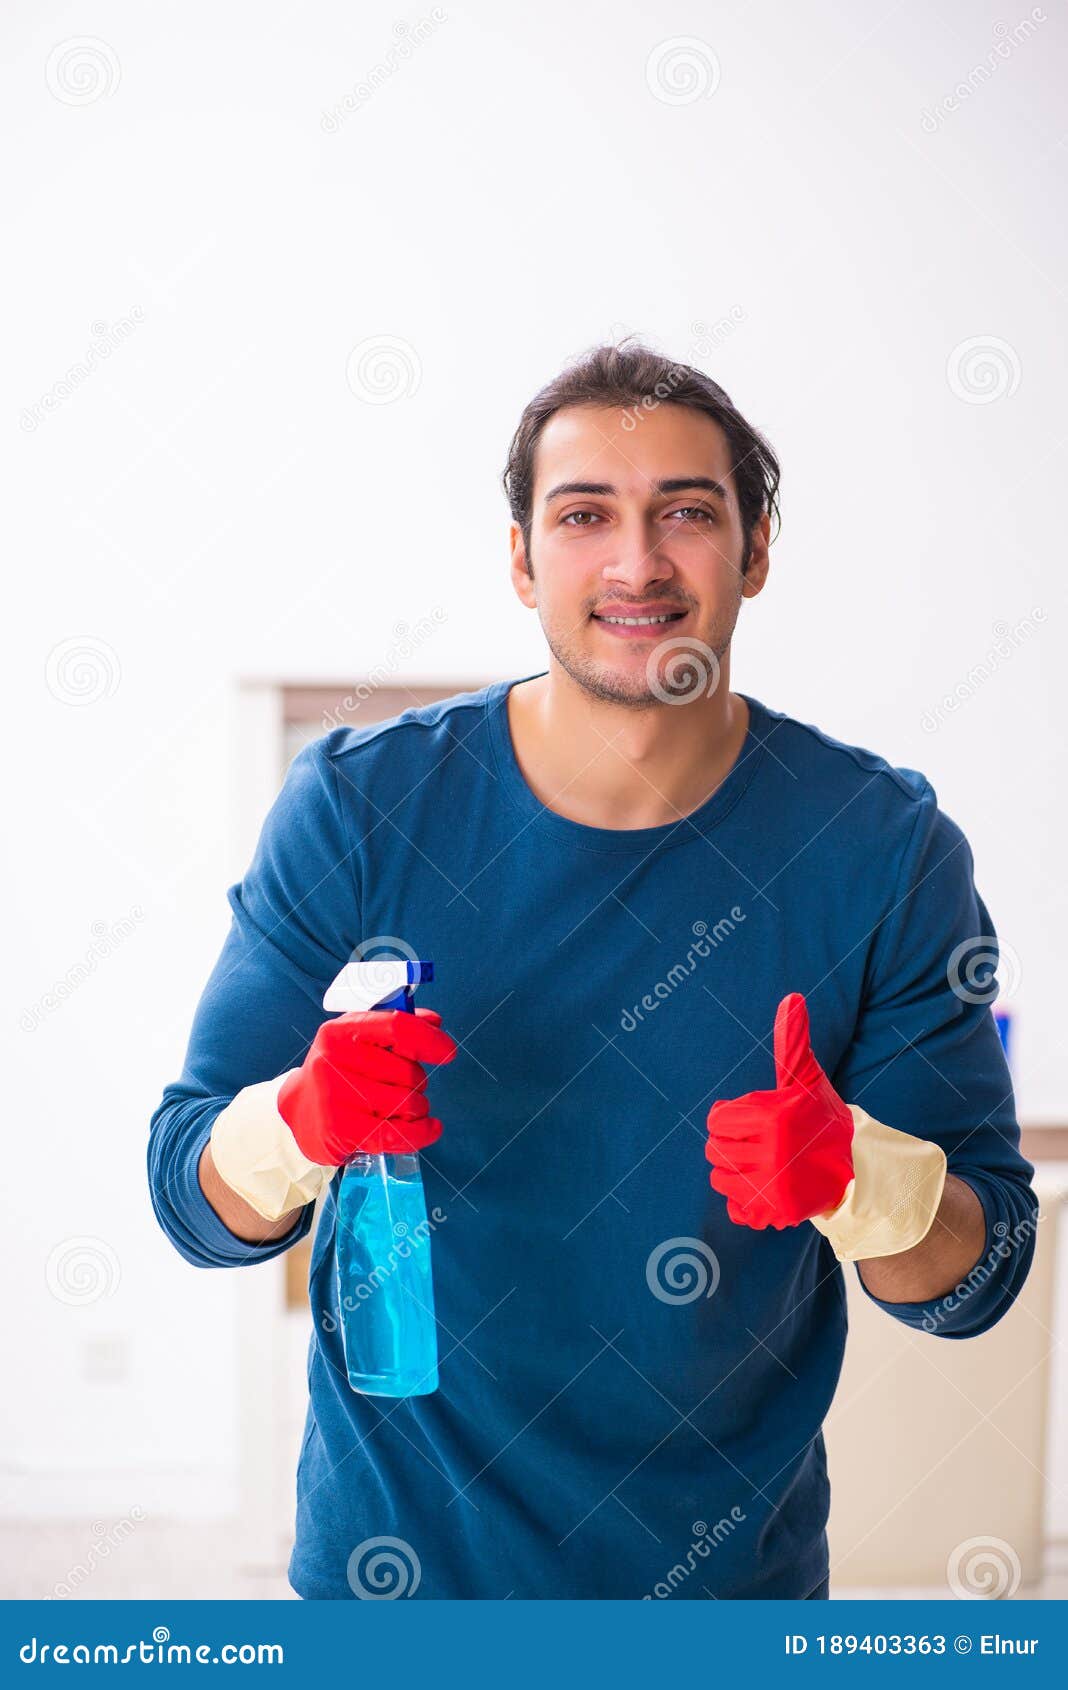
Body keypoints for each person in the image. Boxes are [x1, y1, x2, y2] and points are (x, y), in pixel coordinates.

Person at [148, 340, 1037, 1600]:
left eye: (687, 511)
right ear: (521, 559)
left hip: (730, 1603)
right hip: (395, 1588)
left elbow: (980, 1275)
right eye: (584, 516)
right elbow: (191, 1204)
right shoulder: (360, 809)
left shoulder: (880, 851)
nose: (637, 563)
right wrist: (294, 1124)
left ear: (757, 549)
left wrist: (863, 1180)